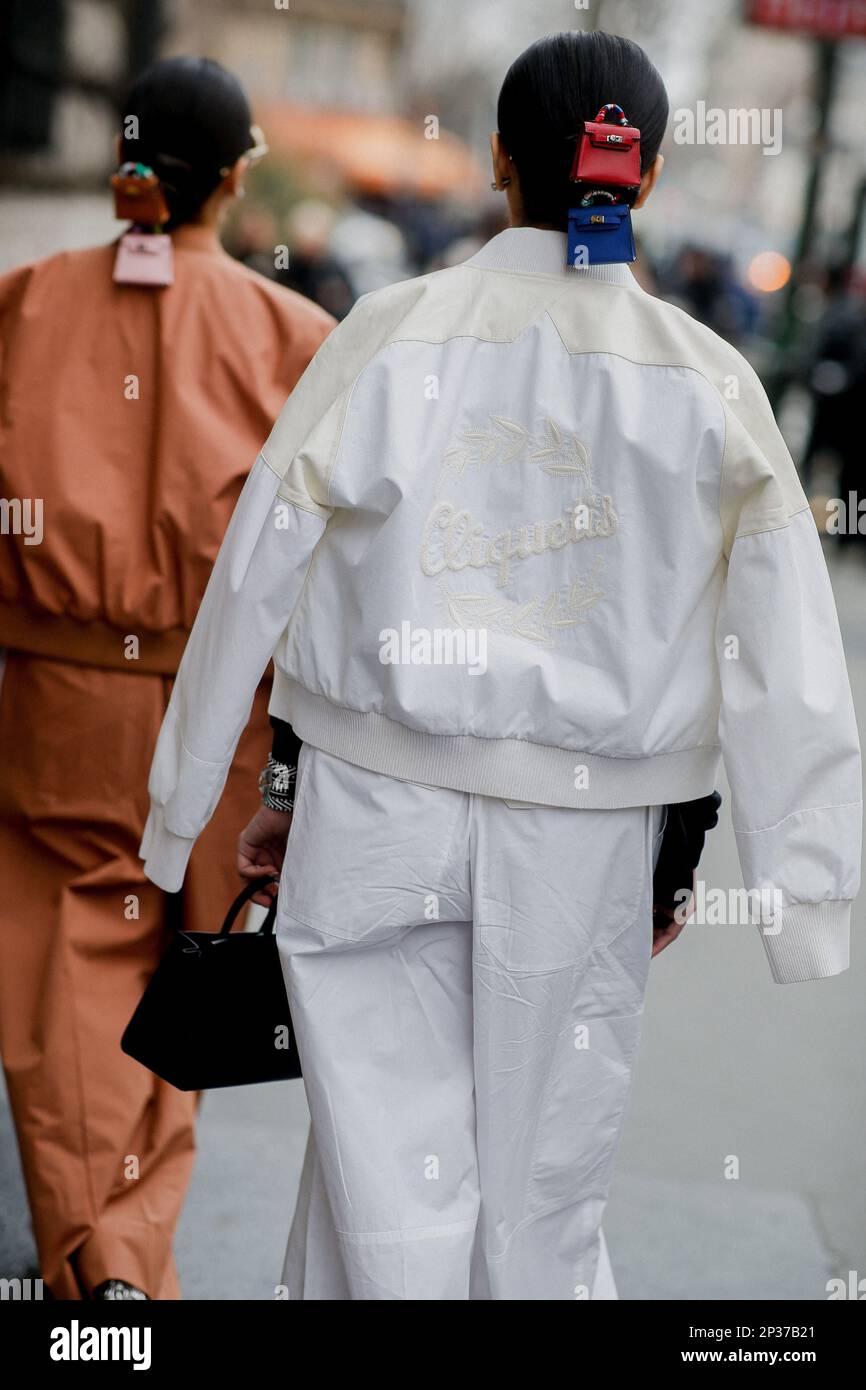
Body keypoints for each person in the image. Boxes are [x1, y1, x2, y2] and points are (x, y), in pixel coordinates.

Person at [140, 32, 861, 1301]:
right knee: (542, 1189)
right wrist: (800, 896)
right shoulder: (709, 384)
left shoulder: (390, 332)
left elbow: (262, 571)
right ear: (642, 176)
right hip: (584, 838)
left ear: (496, 160)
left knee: (373, 1171)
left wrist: (193, 802)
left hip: (372, 805)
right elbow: (783, 660)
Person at [0, 56, 333, 1300]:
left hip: (55, 697)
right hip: (224, 707)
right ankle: (124, 1262)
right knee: (183, 982)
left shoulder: (22, 303)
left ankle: (103, 1273)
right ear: (238, 176)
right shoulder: (296, 336)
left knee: (68, 995)